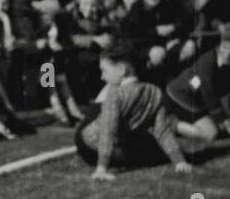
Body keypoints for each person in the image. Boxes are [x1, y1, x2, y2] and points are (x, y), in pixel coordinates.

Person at [75, 45, 190, 179]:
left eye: (104, 71)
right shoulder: (154, 91)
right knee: (149, 150)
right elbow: (162, 130)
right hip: (96, 141)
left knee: (147, 148)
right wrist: (179, 160)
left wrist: (101, 168)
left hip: (90, 145)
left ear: (121, 70)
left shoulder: (115, 94)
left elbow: (108, 129)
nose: (102, 77)